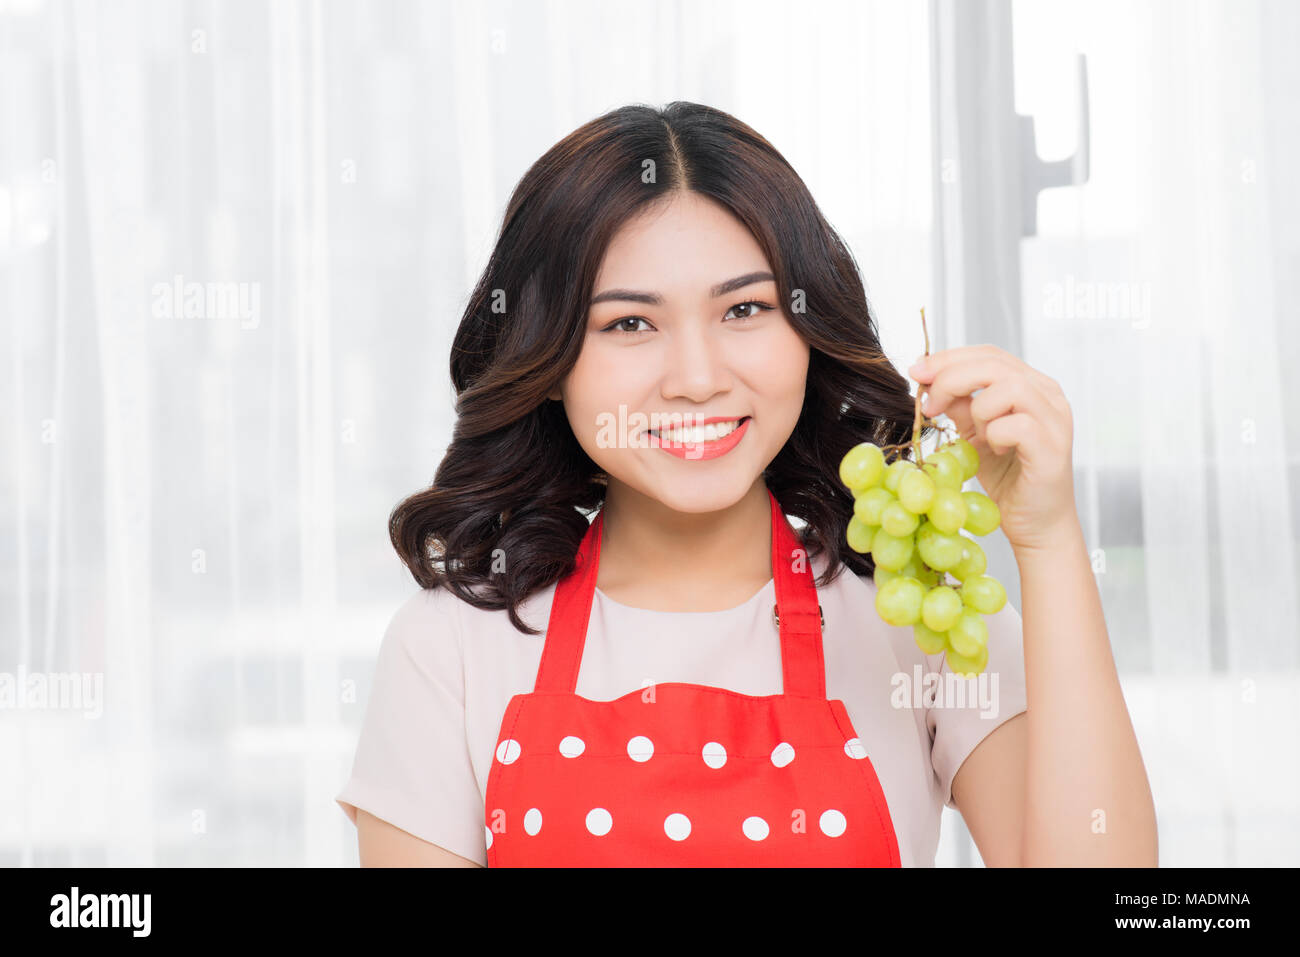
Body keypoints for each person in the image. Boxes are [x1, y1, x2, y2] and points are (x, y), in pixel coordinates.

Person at [335, 101, 1157, 867]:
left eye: (745, 310)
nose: (697, 378)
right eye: (629, 323)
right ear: (549, 362)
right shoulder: (452, 647)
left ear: (805, 328)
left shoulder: (912, 615)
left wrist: (1047, 538)